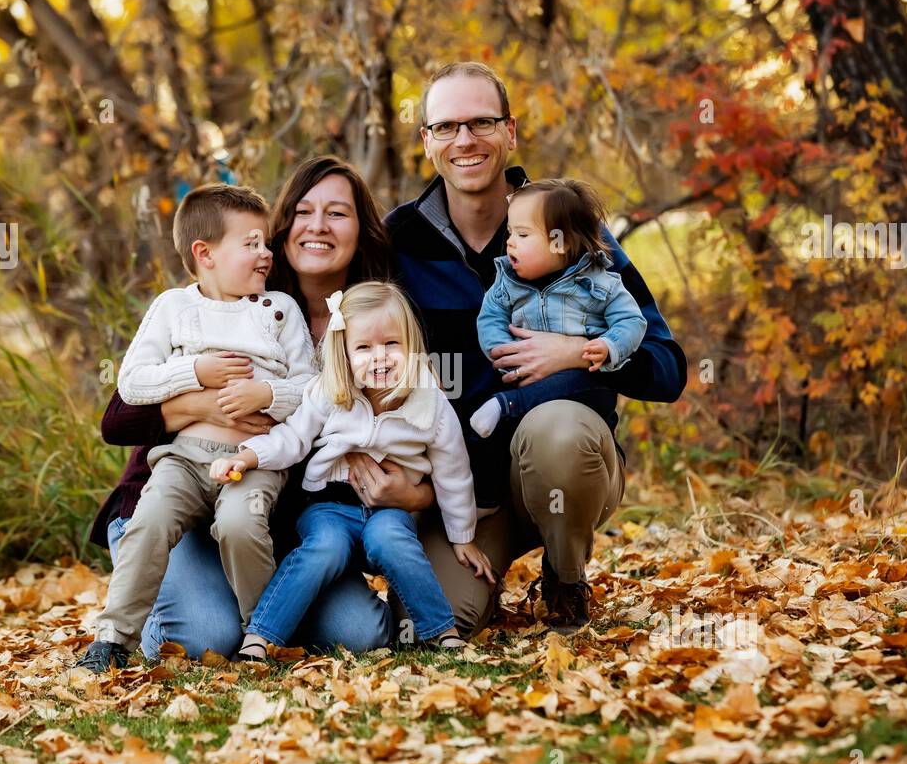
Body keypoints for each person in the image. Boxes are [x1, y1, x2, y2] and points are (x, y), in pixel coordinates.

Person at [384, 61, 687, 633]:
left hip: (560, 469)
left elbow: (668, 369)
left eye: (481, 122)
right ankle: (483, 568)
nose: (465, 140)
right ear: (427, 141)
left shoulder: (568, 226)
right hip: (463, 494)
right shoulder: (399, 242)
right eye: (447, 127)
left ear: (511, 131)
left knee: (560, 434)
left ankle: (566, 576)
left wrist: (580, 352)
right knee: (442, 620)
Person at [88, 157, 407, 664]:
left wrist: (268, 399)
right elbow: (119, 416)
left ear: (361, 229)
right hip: (180, 485)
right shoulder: (199, 302)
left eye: (338, 214)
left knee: (360, 632)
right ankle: (124, 631)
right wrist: (199, 393)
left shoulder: (368, 319)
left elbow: (326, 402)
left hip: (268, 502)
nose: (318, 226)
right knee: (202, 639)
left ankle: (261, 630)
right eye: (303, 212)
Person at [78, 184, 314, 673]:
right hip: (183, 460)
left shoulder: (279, 311)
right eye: (250, 244)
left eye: (266, 243)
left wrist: (267, 395)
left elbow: (311, 389)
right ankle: (112, 636)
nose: (266, 254)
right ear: (204, 254)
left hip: (251, 460)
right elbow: (133, 383)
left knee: (240, 524)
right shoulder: (172, 309)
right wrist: (196, 375)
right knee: (151, 519)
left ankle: (263, 634)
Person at [211, 282, 492, 660]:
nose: (380, 357)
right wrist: (247, 456)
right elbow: (292, 438)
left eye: (392, 344)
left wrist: (462, 536)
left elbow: (453, 471)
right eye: (364, 348)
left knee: (391, 539)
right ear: (344, 353)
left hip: (390, 510)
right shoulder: (328, 392)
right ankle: (259, 637)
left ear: (411, 345)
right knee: (323, 546)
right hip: (329, 506)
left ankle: (441, 632)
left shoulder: (430, 402)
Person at [470, 177, 647, 439]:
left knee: (587, 383)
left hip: (582, 394)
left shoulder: (598, 282)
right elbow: (490, 317)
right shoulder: (506, 283)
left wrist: (609, 346)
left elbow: (633, 321)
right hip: (526, 380)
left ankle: (508, 404)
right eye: (510, 232)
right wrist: (505, 353)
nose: (510, 242)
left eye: (523, 234)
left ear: (559, 242)